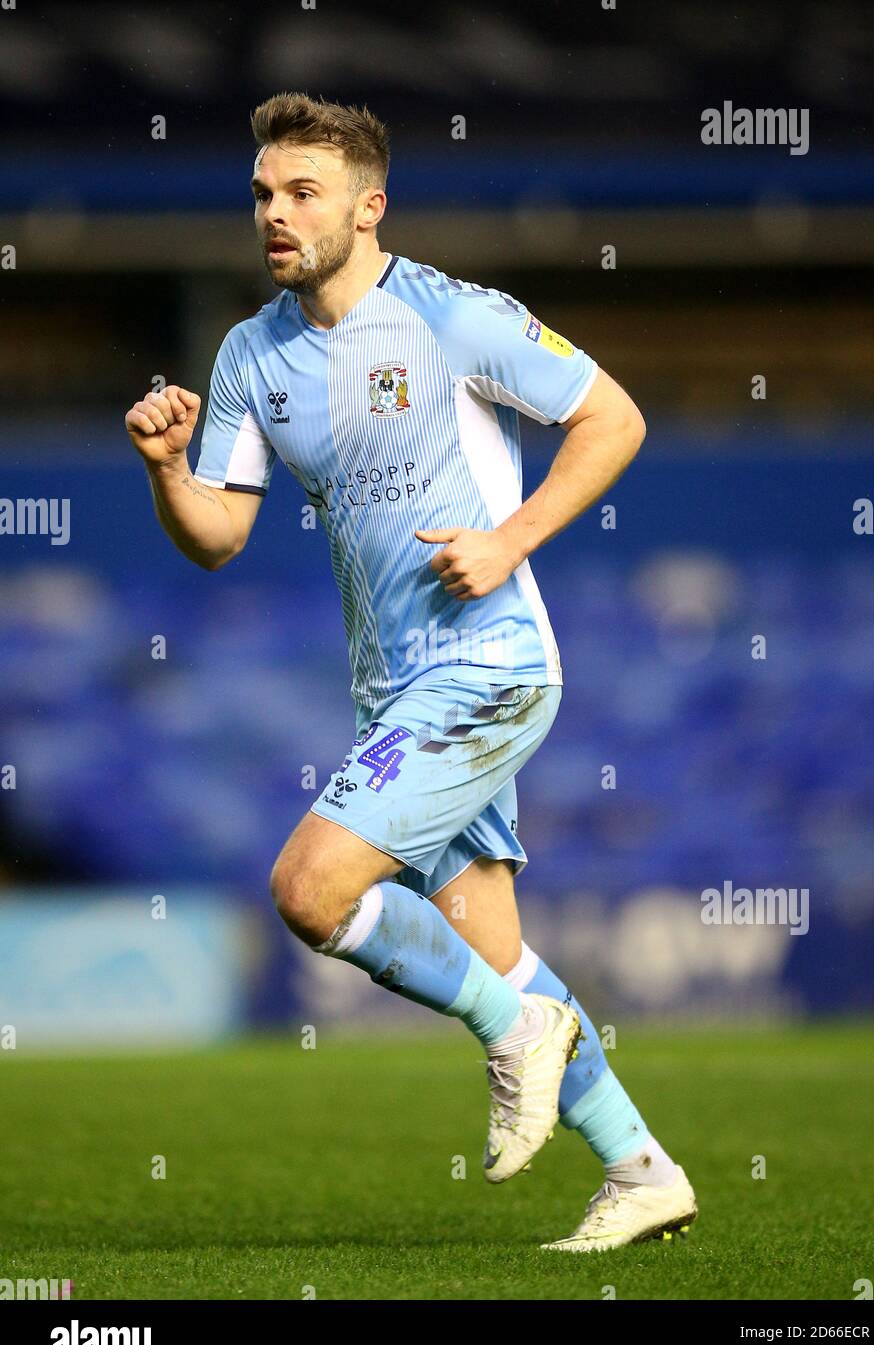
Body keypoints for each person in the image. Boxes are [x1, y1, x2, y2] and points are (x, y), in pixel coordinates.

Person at [125, 91, 697, 1250]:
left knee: (310, 888)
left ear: (368, 208)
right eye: (261, 195)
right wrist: (167, 466)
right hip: (395, 694)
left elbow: (615, 419)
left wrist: (510, 539)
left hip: (487, 668)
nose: (274, 217)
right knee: (493, 951)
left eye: (302, 195)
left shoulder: (452, 317)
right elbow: (220, 533)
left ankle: (515, 1033)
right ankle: (641, 1169)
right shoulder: (249, 355)